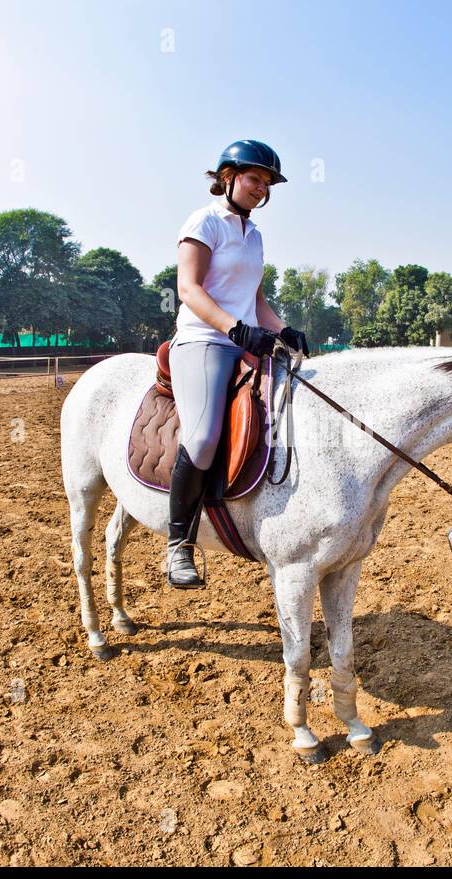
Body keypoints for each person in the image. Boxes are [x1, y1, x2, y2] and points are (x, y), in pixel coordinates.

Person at [166, 139, 310, 588]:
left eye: (267, 183)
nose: (261, 189)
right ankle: (178, 545)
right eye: (254, 179)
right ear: (228, 177)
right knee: (204, 436)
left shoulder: (255, 235)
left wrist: (283, 330)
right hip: (204, 340)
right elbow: (189, 289)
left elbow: (256, 300)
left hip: (246, 339)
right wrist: (233, 329)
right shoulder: (204, 222)